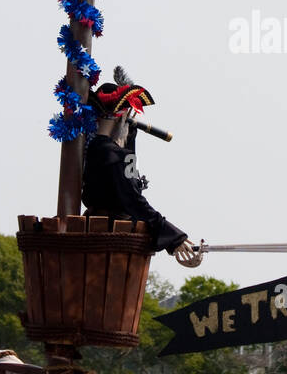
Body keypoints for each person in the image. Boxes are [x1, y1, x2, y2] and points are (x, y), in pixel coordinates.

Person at [82, 70, 202, 267]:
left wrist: (129, 138)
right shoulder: (116, 155)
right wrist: (174, 237)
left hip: (96, 236)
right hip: (114, 244)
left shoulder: (94, 149)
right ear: (122, 116)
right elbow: (133, 201)